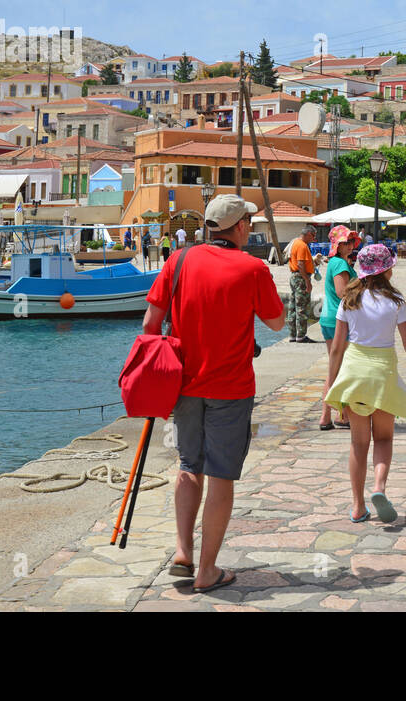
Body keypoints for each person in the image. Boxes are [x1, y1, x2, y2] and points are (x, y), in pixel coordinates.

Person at [141, 195, 285, 595]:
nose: (251, 230)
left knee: (189, 465)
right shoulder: (252, 268)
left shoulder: (179, 261)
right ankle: (207, 570)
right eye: (249, 224)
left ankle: (184, 551)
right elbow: (277, 322)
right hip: (231, 388)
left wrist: (152, 373)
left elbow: (151, 320)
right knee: (222, 475)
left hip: (183, 385)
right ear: (239, 228)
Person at [324, 244, 406, 523]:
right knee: (383, 438)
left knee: (358, 444)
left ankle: (358, 506)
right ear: (386, 269)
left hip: (355, 377)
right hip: (383, 376)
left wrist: (331, 385)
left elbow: (337, 348)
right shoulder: (396, 302)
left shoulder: (349, 300)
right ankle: (379, 487)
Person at [318, 225, 360, 429]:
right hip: (338, 320)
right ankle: (336, 416)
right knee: (338, 369)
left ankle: (333, 415)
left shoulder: (336, 262)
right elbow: (342, 291)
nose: (351, 245)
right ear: (338, 245)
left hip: (330, 318)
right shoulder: (340, 265)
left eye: (352, 241)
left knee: (336, 368)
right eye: (346, 242)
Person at [287, 224, 317, 342]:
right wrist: (307, 281)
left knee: (293, 307)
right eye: (313, 236)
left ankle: (292, 335)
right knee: (302, 307)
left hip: (295, 277)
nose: (314, 239)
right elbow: (300, 264)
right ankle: (301, 336)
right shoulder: (302, 246)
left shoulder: (295, 243)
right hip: (300, 278)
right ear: (309, 234)